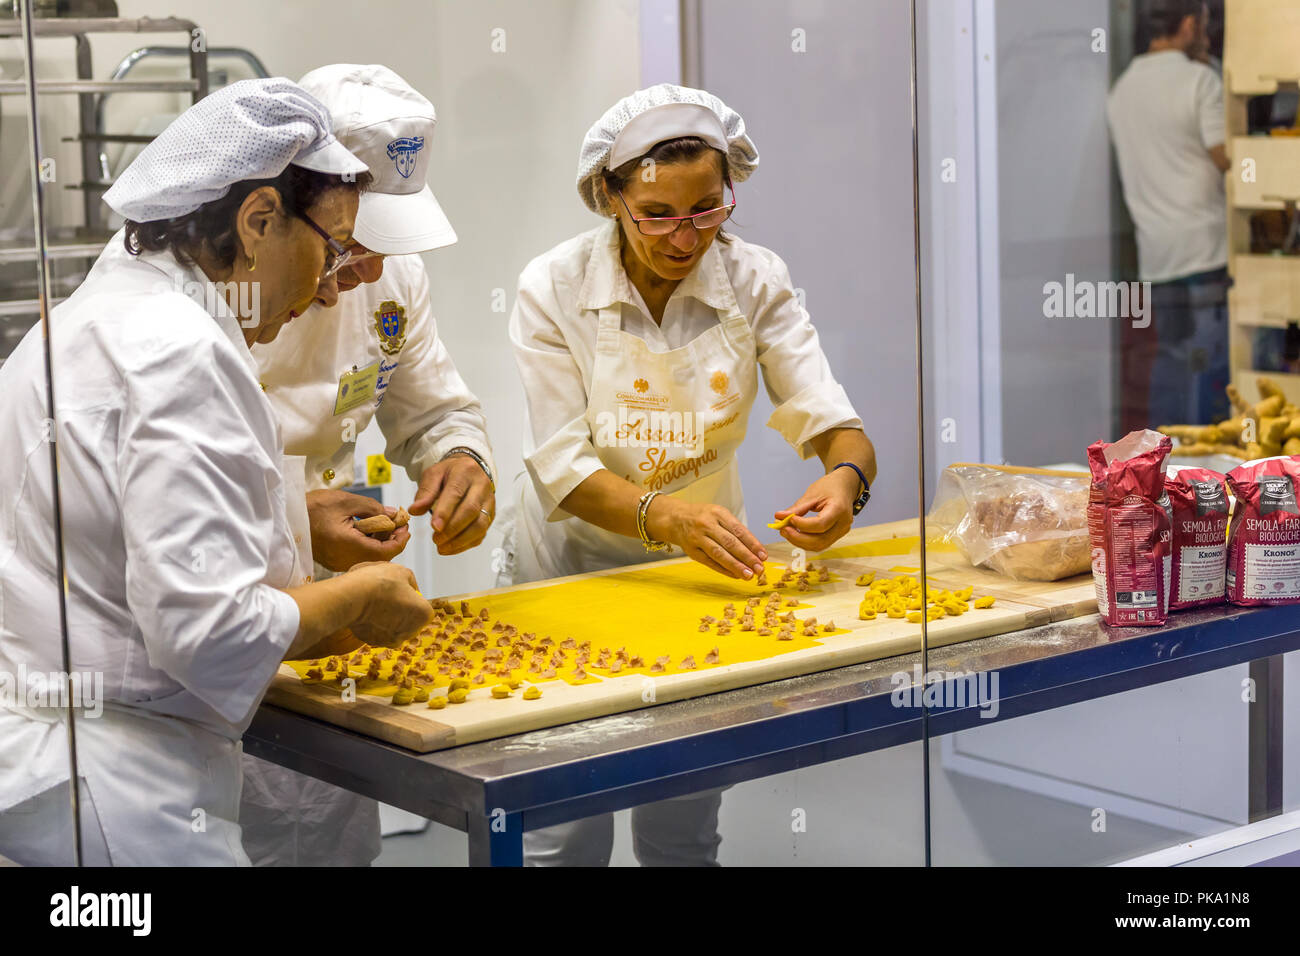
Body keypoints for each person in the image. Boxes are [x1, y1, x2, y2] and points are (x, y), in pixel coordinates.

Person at [0, 79, 432, 866]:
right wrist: (355, 600)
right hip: (126, 786)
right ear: (259, 218)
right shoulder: (179, 349)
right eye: (331, 249)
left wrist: (296, 520)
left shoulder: (100, 315)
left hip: (57, 765)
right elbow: (204, 630)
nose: (330, 282)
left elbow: (118, 532)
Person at [498, 84, 875, 865]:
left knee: (682, 820)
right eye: (658, 214)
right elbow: (564, 470)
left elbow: (832, 418)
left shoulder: (754, 277)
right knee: (566, 828)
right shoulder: (554, 288)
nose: (685, 236)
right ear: (609, 196)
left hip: (701, 578)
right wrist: (666, 516)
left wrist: (845, 482)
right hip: (571, 577)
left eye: (708, 209)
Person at [241, 64, 496, 867]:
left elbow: (431, 406)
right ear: (289, 210)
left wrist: (459, 459)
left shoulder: (390, 279)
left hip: (322, 611)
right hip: (230, 591)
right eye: (351, 244)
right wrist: (293, 520)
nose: (371, 270)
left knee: (325, 831)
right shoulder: (224, 293)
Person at [1107, 0, 1231, 430]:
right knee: (1210, 377)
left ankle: (1164, 472)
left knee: (1171, 369)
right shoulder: (1200, 80)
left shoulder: (1122, 88)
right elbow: (1226, 159)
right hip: (1208, 254)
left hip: (1157, 256)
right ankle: (1209, 484)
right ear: (1189, 23)